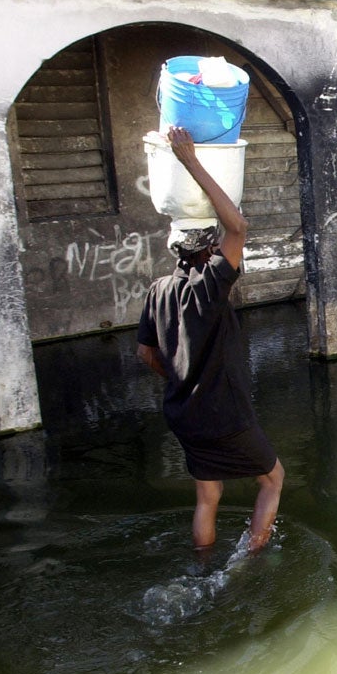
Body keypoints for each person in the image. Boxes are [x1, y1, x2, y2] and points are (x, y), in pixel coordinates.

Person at [137, 126, 284, 554]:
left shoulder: (158, 289)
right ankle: (249, 562)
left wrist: (181, 378)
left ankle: (202, 564)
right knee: (272, 480)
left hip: (183, 414)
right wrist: (190, 160)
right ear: (208, 253)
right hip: (224, 413)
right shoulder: (211, 285)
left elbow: (146, 353)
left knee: (207, 495)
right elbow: (237, 227)